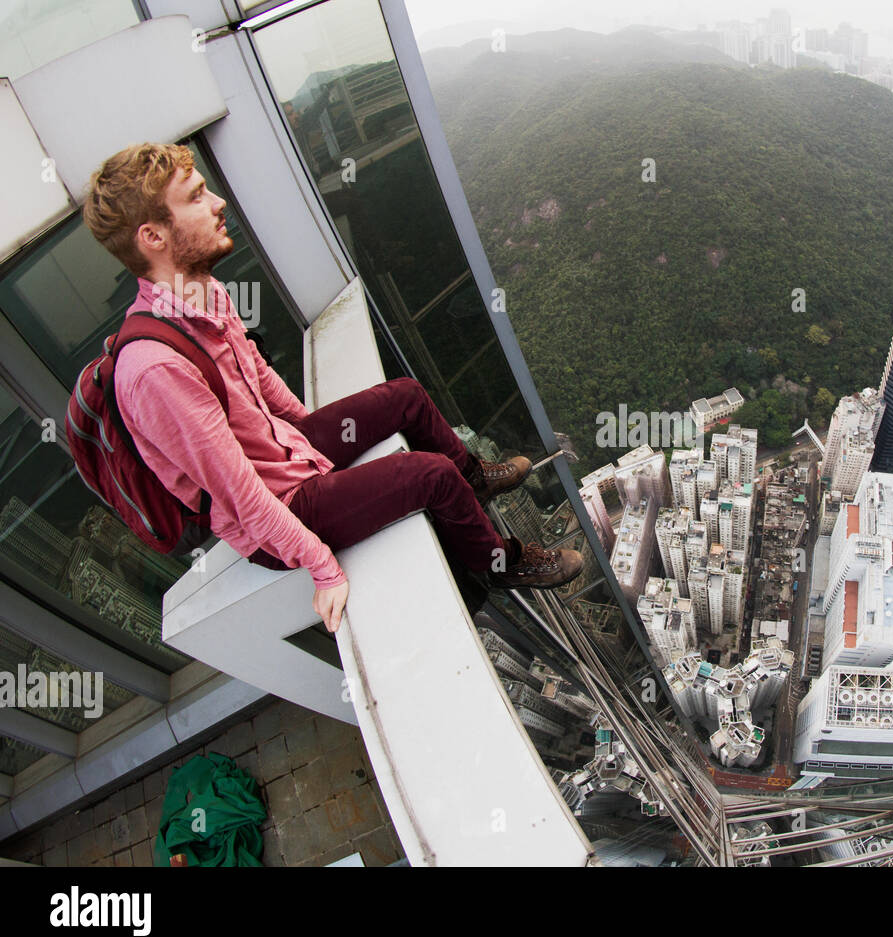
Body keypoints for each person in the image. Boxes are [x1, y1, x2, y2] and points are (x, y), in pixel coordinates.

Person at [82, 142, 582, 632]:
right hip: (279, 507)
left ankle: (474, 477)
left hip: (286, 450)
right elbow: (239, 495)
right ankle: (498, 563)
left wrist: (315, 432)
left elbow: (253, 371)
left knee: (405, 396)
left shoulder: (200, 290)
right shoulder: (154, 373)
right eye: (195, 197)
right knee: (430, 476)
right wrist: (321, 566)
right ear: (153, 237)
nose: (218, 203)